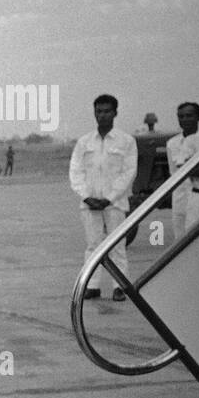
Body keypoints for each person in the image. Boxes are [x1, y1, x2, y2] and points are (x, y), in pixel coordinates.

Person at [69, 94, 137, 301]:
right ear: (94, 113)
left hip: (114, 204)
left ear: (115, 113)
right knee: (93, 245)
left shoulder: (126, 141)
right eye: (99, 111)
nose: (103, 115)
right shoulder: (84, 142)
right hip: (90, 205)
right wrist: (86, 196)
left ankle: (120, 286)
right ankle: (92, 285)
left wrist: (109, 198)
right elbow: (76, 171)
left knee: (117, 246)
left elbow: (128, 172)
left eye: (107, 111)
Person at [165, 101, 199, 241]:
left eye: (189, 116)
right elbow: (176, 172)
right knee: (181, 240)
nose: (185, 120)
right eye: (181, 116)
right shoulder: (172, 143)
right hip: (181, 197)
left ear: (198, 117)